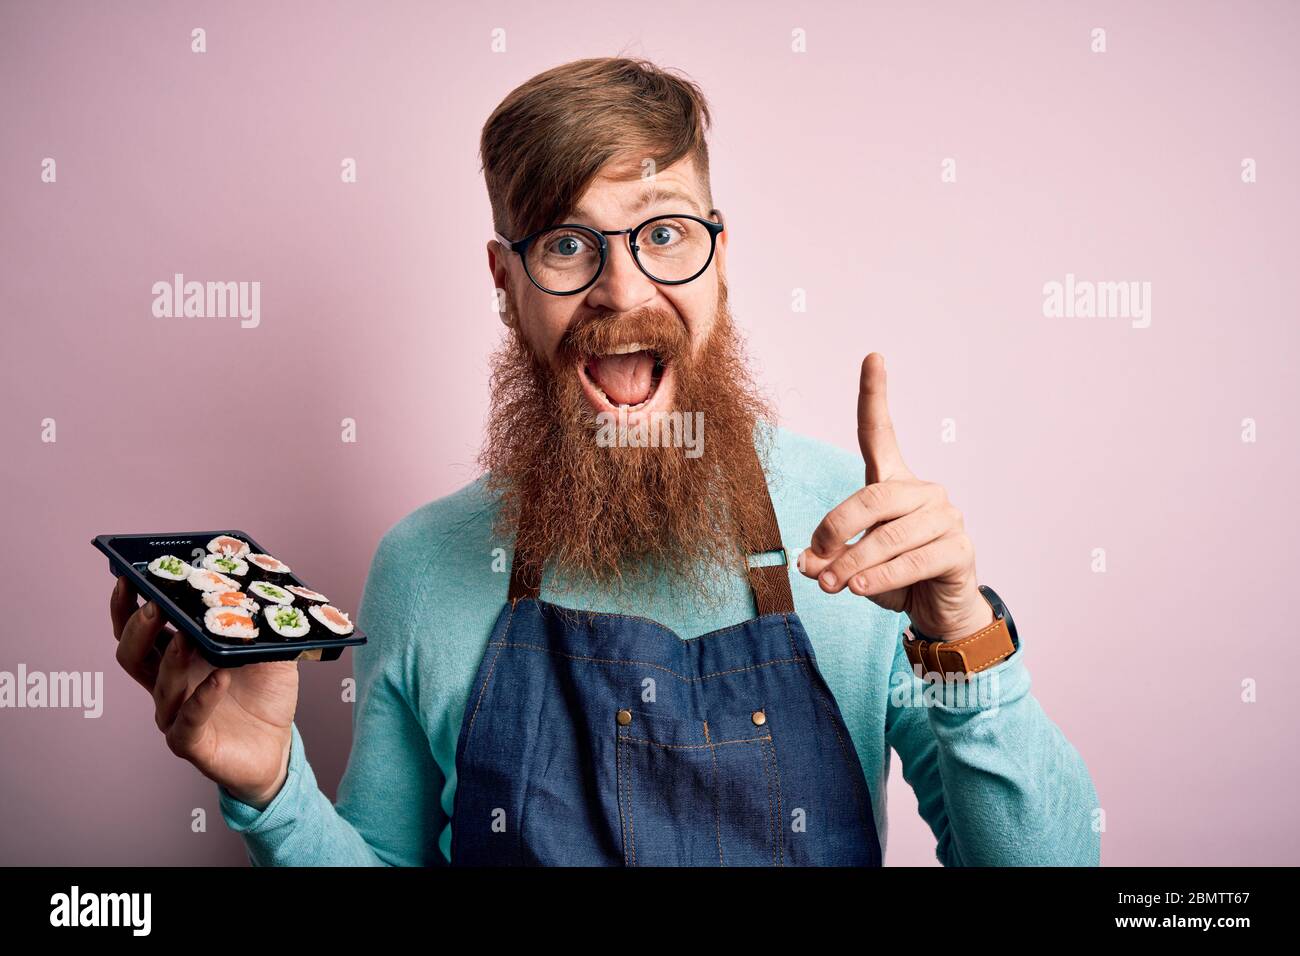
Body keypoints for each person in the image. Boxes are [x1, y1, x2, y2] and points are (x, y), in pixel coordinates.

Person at [110, 56, 1100, 866]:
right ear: (505, 283)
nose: (622, 287)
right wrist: (272, 794)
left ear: (720, 257)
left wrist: (966, 639)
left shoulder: (859, 530)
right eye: (568, 244)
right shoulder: (421, 564)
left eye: (665, 233)